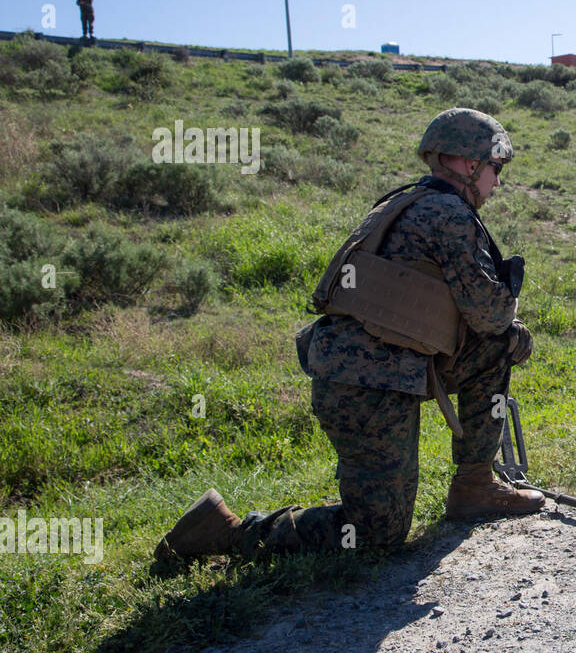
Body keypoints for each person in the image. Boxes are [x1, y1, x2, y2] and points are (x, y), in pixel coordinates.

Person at [155, 108, 542, 563]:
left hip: (370, 370)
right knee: (375, 532)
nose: (497, 183)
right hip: (368, 385)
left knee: (499, 345)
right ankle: (231, 532)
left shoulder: (401, 202)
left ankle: (474, 486)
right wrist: (512, 311)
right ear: (468, 163)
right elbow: (490, 314)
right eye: (496, 169)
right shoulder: (448, 213)